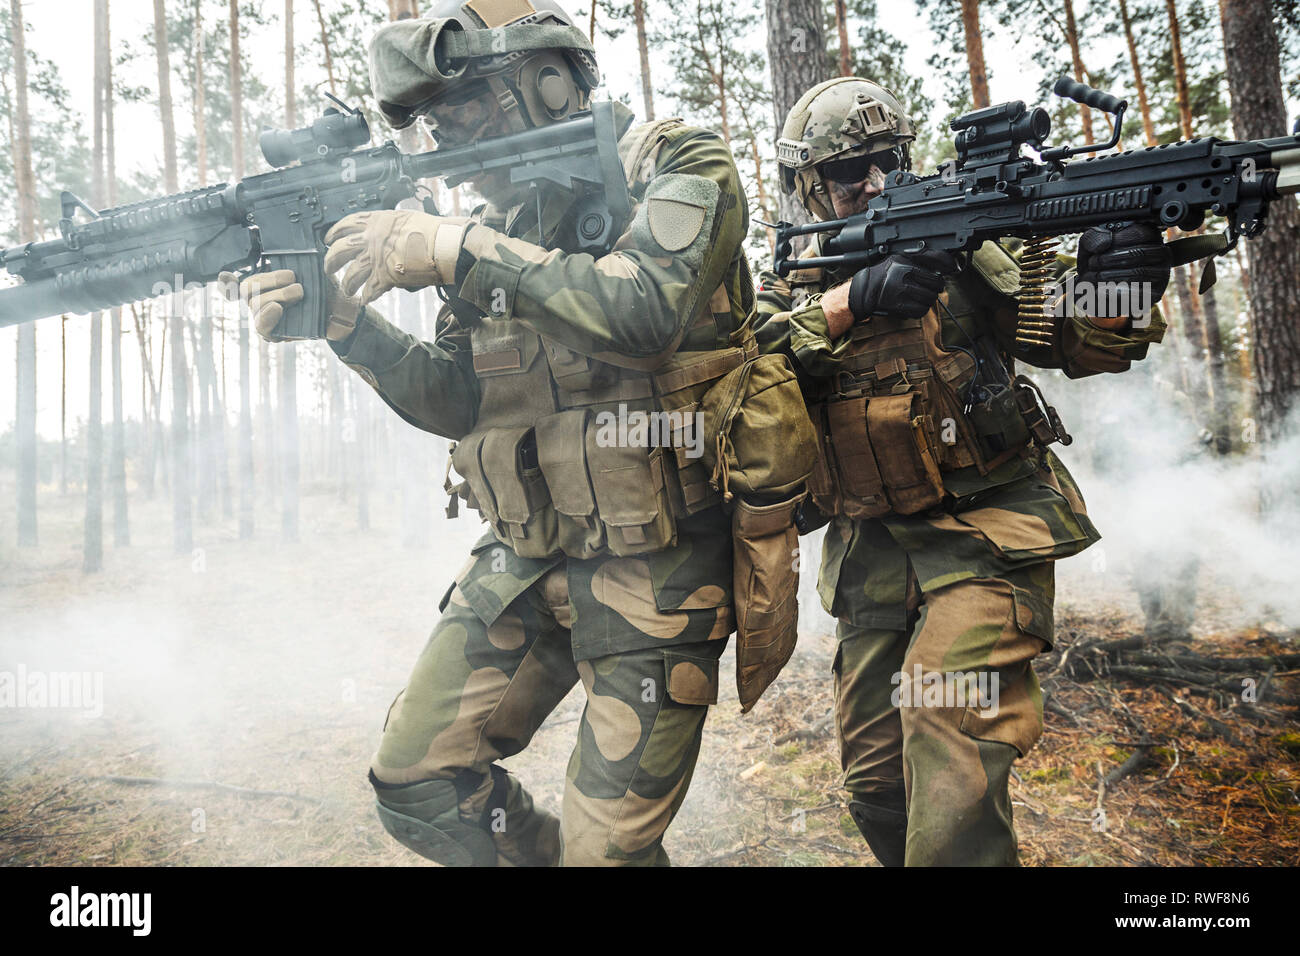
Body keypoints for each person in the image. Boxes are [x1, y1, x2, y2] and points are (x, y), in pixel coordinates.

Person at [235, 0, 753, 866]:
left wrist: (453, 248)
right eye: (431, 124)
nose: (446, 142)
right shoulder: (498, 227)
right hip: (526, 553)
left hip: (658, 566)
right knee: (417, 786)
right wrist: (345, 326)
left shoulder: (675, 158)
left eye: (464, 108)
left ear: (547, 80)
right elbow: (458, 400)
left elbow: (648, 310)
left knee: (608, 856)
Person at [755, 77, 1172, 866]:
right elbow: (745, 375)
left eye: (887, 161)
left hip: (987, 535)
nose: (874, 183)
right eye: (851, 172)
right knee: (877, 785)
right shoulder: (788, 283)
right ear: (810, 184)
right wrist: (851, 301)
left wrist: (1125, 278)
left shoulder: (966, 248)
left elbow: (1082, 341)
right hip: (873, 556)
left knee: (945, 719)